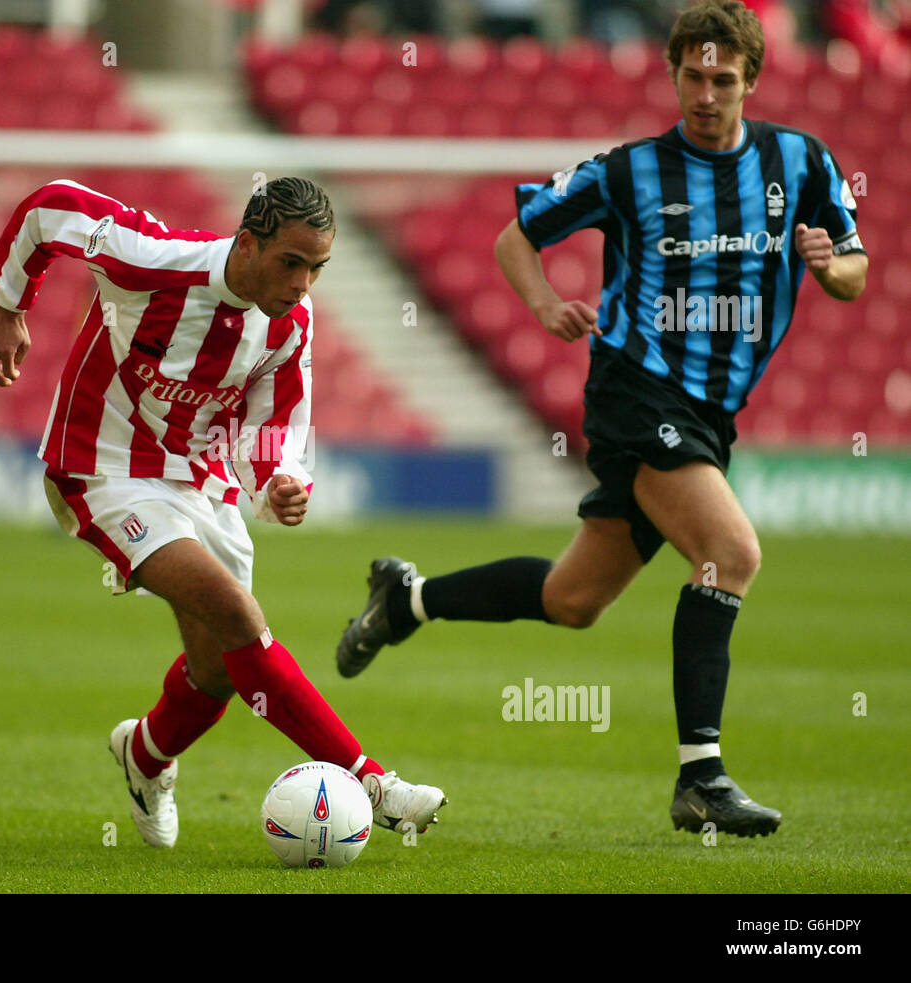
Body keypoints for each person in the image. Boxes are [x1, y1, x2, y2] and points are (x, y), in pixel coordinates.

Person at [337, 0, 867, 838]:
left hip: (709, 413)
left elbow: (855, 272)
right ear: (672, 74)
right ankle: (703, 776)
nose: (704, 93)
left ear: (752, 81)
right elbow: (518, 237)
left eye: (722, 80)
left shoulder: (800, 162)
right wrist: (545, 304)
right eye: (691, 76)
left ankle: (407, 601)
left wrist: (831, 264)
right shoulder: (628, 171)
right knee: (730, 554)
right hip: (635, 390)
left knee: (573, 597)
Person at [0, 176, 446, 847]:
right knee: (237, 616)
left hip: (200, 480)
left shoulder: (291, 322)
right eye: (292, 262)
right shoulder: (153, 257)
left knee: (220, 669)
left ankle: (143, 756)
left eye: (318, 268)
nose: (303, 284)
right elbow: (50, 207)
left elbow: (273, 427)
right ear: (248, 244)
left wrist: (280, 479)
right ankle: (374, 782)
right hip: (103, 468)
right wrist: (8, 305)